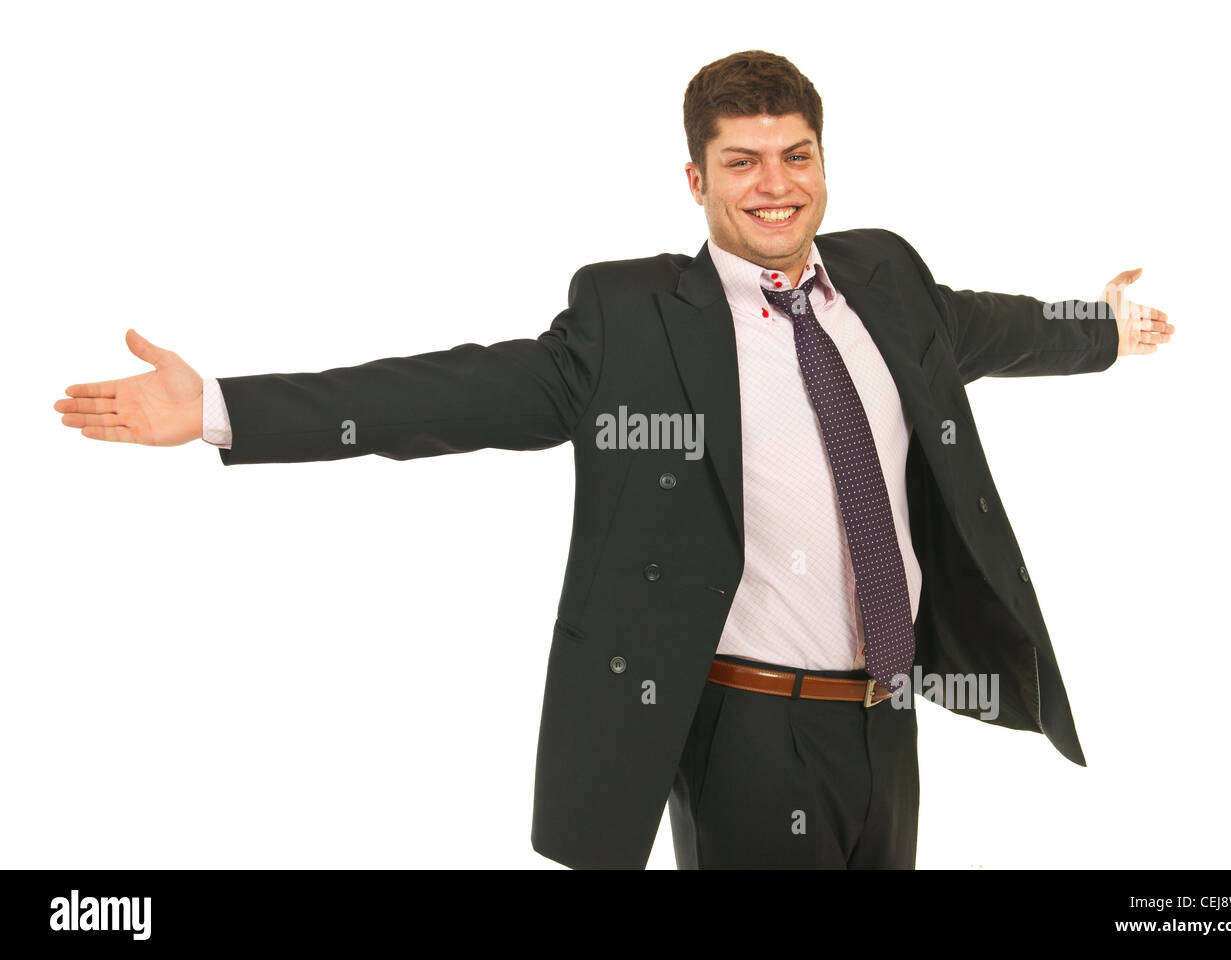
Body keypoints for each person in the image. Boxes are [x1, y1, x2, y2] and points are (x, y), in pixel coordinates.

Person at [53, 50, 1174, 869]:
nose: (774, 183)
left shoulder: (882, 280)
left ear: (825, 159)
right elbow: (451, 390)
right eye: (741, 162)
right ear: (696, 180)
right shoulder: (632, 319)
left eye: (796, 155)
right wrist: (222, 410)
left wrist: (1104, 329)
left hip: (890, 713)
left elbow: (991, 327)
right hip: (743, 727)